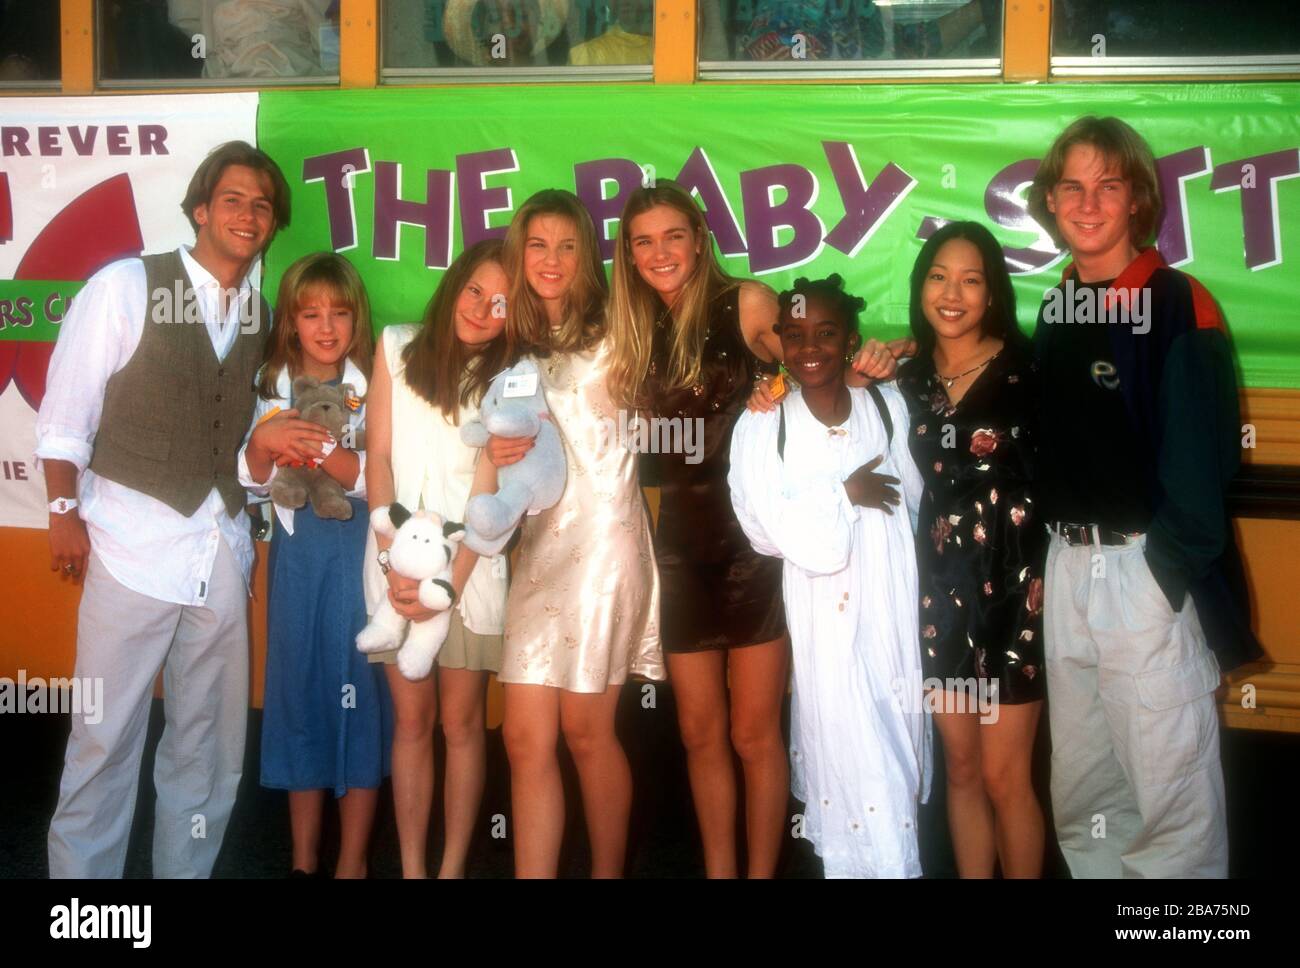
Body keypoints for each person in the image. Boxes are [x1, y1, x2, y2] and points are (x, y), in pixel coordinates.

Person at [38, 140, 290, 878]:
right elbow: (65, 413)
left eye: (263, 206)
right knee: (102, 738)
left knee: (207, 747)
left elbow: (239, 440)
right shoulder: (124, 284)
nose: (249, 215)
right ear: (201, 210)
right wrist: (62, 511)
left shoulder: (258, 307)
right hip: (127, 544)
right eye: (234, 200)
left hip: (218, 547)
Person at [1026, 115, 1261, 878]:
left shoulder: (1178, 302)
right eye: (1071, 186)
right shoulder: (1058, 307)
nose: (1087, 203)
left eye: (1108, 186)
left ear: (1136, 201)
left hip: (1144, 574)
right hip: (1069, 567)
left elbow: (1205, 462)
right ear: (1052, 201)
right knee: (1085, 788)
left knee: (1169, 796)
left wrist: (1164, 576)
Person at [486, 189, 664, 878]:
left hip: (603, 545)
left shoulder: (624, 326)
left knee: (587, 734)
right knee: (527, 740)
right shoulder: (512, 342)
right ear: (519, 253)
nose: (551, 259)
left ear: (587, 255)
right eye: (537, 244)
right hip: (536, 554)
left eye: (567, 245)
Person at [729, 274, 929, 878]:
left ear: (849, 339)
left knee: (891, 741)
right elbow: (766, 528)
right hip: (822, 608)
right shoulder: (766, 422)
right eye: (795, 335)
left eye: (826, 333)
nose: (809, 347)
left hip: (886, 600)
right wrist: (844, 494)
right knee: (847, 745)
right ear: (779, 341)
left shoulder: (886, 406)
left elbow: (915, 498)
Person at [896, 221, 1047, 878]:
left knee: (1004, 776)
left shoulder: (1031, 371)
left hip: (1020, 597)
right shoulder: (903, 376)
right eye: (937, 276)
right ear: (920, 286)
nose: (951, 293)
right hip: (942, 595)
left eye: (970, 279)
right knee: (961, 769)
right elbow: (801, 372)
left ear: (992, 293)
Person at [237, 252, 390, 879]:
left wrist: (322, 450)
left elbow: (380, 479)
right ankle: (302, 863)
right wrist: (263, 447)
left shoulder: (379, 380)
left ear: (357, 319)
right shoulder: (270, 384)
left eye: (340, 313)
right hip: (298, 559)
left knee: (361, 699)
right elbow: (249, 480)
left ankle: (352, 863)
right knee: (300, 696)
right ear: (290, 322)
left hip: (362, 556)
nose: (326, 327)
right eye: (310, 314)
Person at [363, 239, 512, 878]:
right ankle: (414, 868)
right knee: (413, 722)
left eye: (501, 301)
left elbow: (489, 494)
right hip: (392, 564)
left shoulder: (515, 380)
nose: (482, 309)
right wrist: (395, 563)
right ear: (454, 285)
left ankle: (452, 869)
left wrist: (446, 583)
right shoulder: (396, 345)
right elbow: (379, 458)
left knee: (461, 724)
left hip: (471, 572)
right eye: (474, 290)